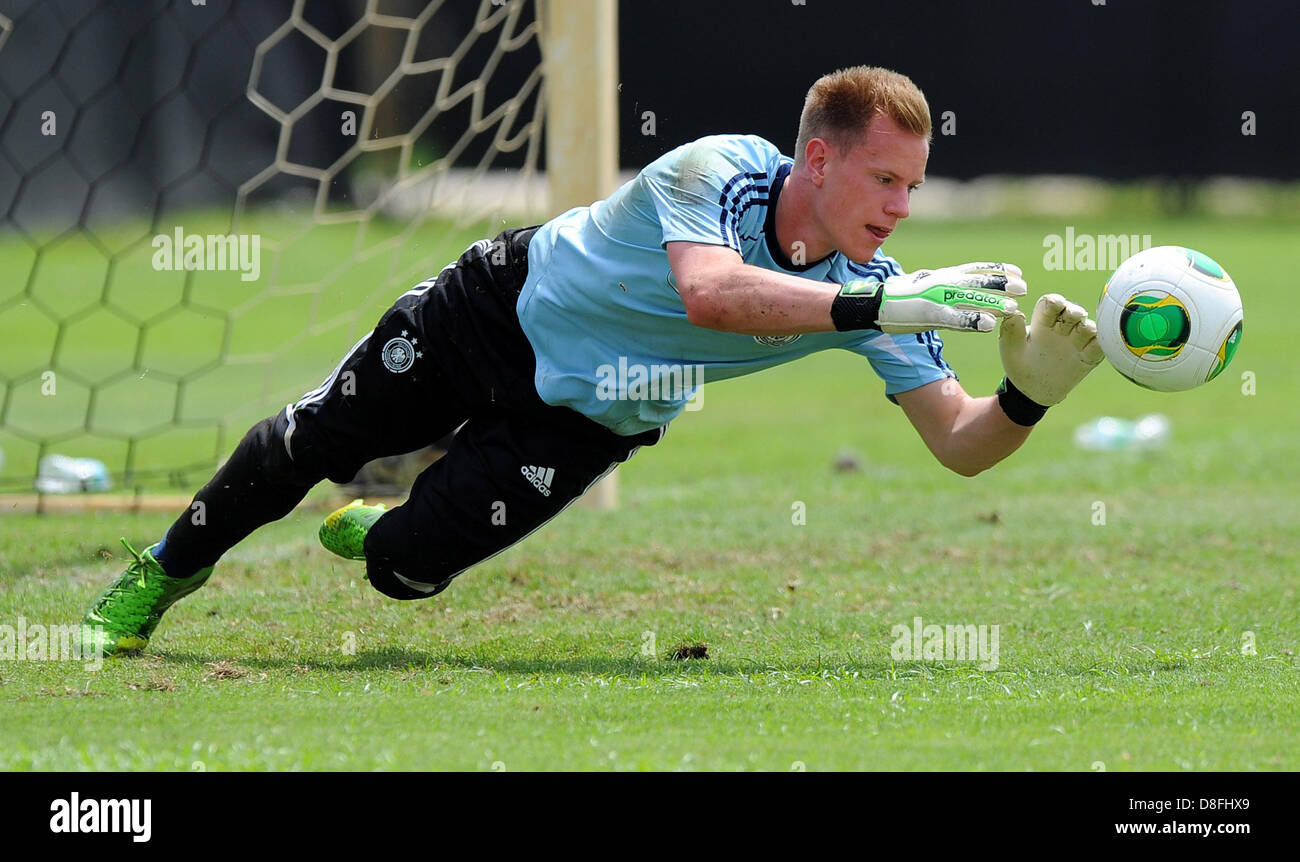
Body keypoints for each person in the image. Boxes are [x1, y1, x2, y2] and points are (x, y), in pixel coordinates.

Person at [81, 66, 1103, 656]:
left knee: (404, 573)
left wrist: (1027, 395)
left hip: (588, 420)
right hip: (491, 316)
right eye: (884, 177)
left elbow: (960, 445)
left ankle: (385, 520)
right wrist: (871, 300)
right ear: (819, 158)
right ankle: (158, 577)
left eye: (914, 188)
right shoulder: (713, 171)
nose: (900, 207)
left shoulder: (890, 290)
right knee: (306, 442)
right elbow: (713, 293)